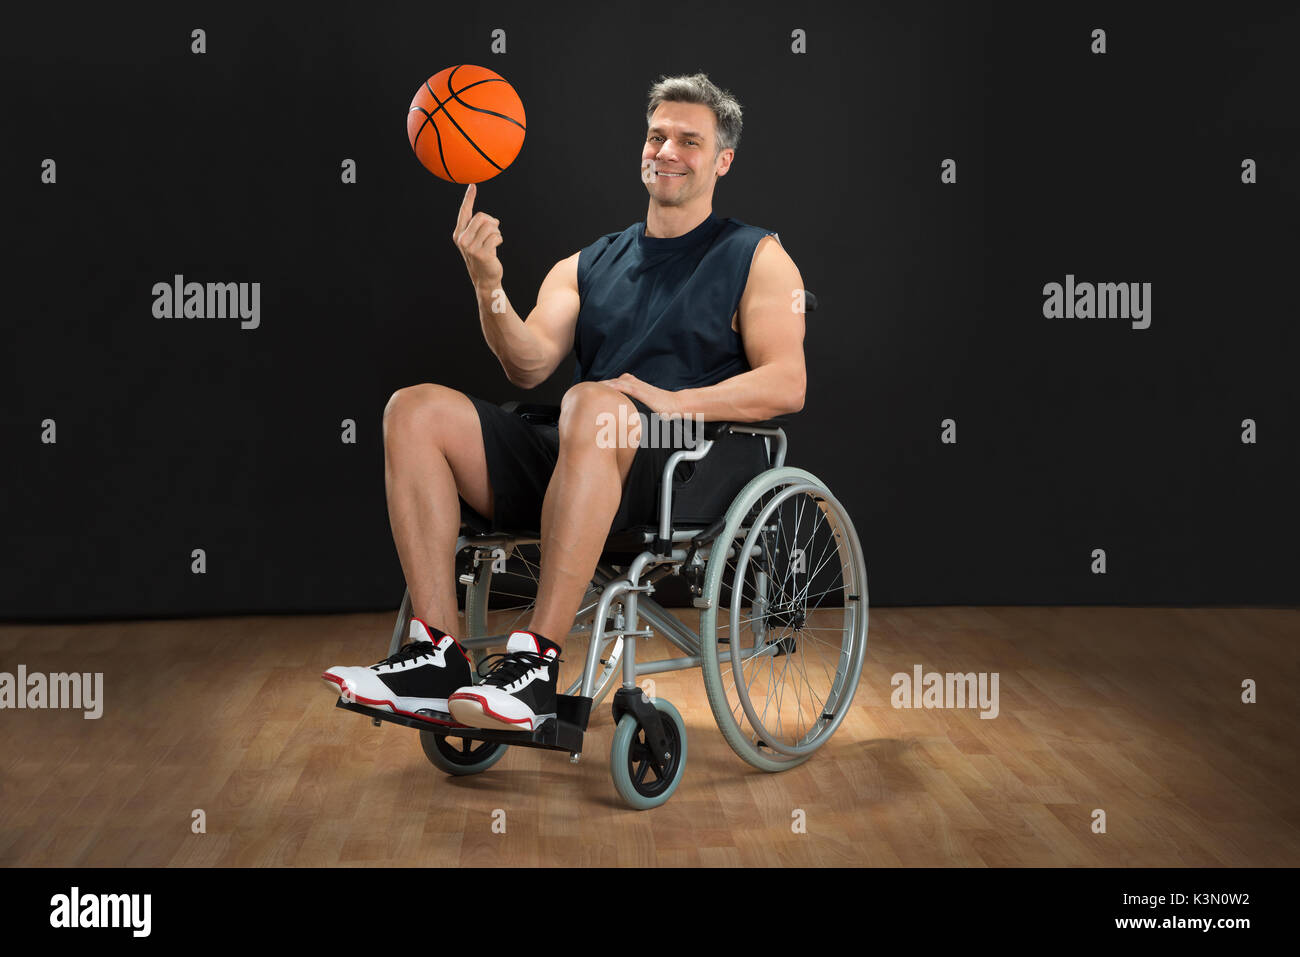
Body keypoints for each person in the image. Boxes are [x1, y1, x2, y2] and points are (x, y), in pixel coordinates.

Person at [322, 72, 806, 733]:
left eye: (688, 141)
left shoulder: (759, 257)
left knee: (592, 402)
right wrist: (488, 284)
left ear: (722, 159)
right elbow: (526, 363)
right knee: (414, 409)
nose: (665, 150)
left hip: (673, 462)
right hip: (578, 445)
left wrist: (671, 398)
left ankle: (537, 664)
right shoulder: (587, 263)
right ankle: (435, 653)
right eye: (655, 134)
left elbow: (787, 383)